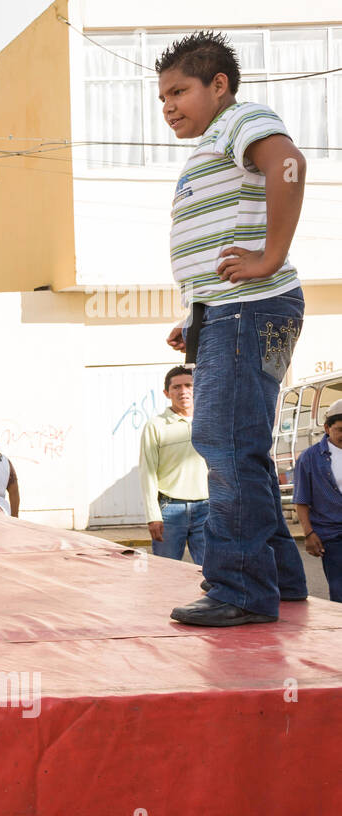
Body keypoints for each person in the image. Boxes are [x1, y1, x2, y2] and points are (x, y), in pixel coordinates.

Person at [158, 32, 310, 627]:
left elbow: (290, 164)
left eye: (179, 91)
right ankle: (282, 580)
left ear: (218, 85)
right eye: (162, 96)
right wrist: (192, 317)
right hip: (226, 312)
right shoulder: (212, 145)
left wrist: (270, 256)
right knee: (239, 448)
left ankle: (240, 591)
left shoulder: (243, 119)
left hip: (250, 307)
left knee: (223, 447)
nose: (168, 106)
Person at [140, 366, 208, 563]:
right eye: (176, 387)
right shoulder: (155, 425)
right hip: (170, 510)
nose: (183, 391)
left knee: (212, 574)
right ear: (167, 393)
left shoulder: (210, 422)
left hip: (207, 509)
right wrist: (153, 516)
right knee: (166, 575)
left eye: (189, 385)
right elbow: (148, 473)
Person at [293, 399, 342, 602]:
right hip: (332, 535)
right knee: (339, 591)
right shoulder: (310, 458)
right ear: (326, 428)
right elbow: (301, 500)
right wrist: (309, 533)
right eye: (340, 430)